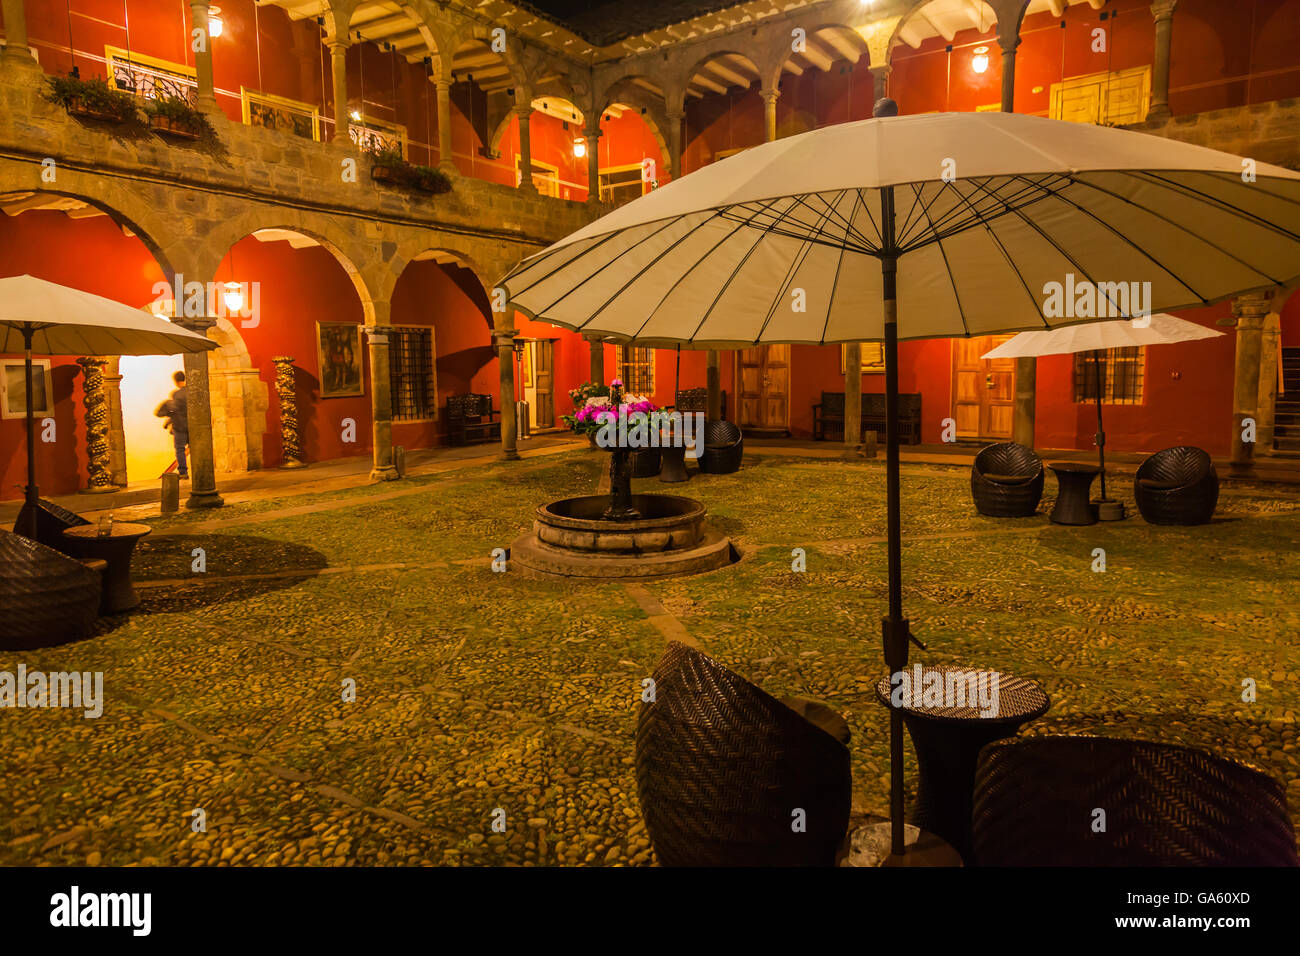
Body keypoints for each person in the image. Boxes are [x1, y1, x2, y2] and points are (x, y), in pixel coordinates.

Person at [154, 370, 189, 480]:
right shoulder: (192, 391)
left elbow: (174, 410)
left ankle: (183, 472)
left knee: (180, 449)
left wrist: (168, 421)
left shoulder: (176, 395)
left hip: (179, 427)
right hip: (192, 426)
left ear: (176, 381)